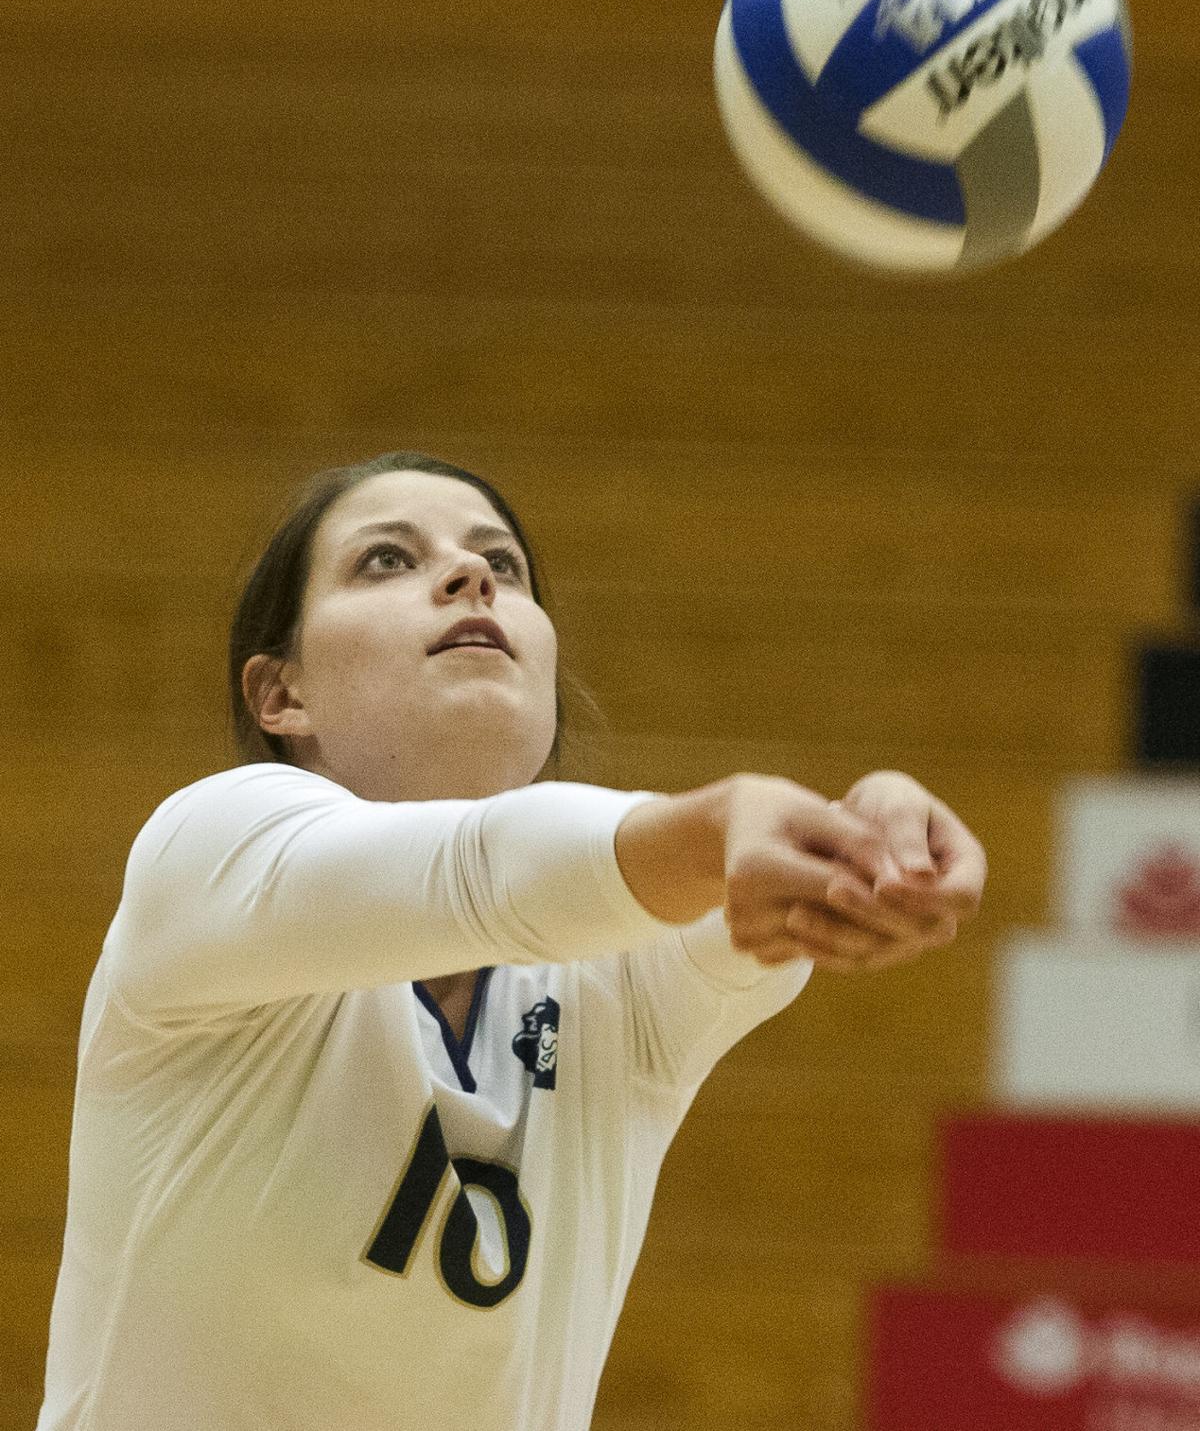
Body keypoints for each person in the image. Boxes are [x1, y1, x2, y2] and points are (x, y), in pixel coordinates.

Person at [36, 449, 987, 1431]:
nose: (469, 574)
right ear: (281, 695)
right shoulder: (211, 853)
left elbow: (723, 885)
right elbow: (495, 868)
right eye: (386, 561)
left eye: (502, 562)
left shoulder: (619, 982)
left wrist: (871, 836)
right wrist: (729, 823)